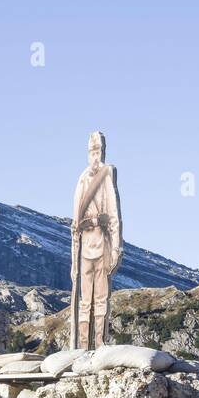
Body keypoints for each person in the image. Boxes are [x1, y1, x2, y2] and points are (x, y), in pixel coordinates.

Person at [69, 131, 123, 350]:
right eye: (92, 151)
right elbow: (75, 221)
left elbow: (113, 215)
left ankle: (99, 341)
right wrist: (74, 259)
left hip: (102, 244)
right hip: (84, 247)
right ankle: (82, 344)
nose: (95, 156)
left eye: (98, 151)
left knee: (101, 298)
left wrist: (116, 248)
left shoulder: (107, 174)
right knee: (84, 300)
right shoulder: (82, 179)